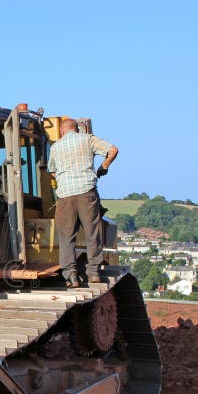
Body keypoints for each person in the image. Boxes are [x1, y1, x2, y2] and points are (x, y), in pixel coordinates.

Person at [48, 118, 118, 287]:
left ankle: (71, 276)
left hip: (65, 197)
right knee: (92, 233)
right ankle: (93, 272)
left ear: (62, 132)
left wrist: (62, 183)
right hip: (87, 193)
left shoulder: (55, 147)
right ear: (76, 129)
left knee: (66, 238)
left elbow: (52, 171)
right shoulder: (87, 139)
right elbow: (113, 150)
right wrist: (104, 166)